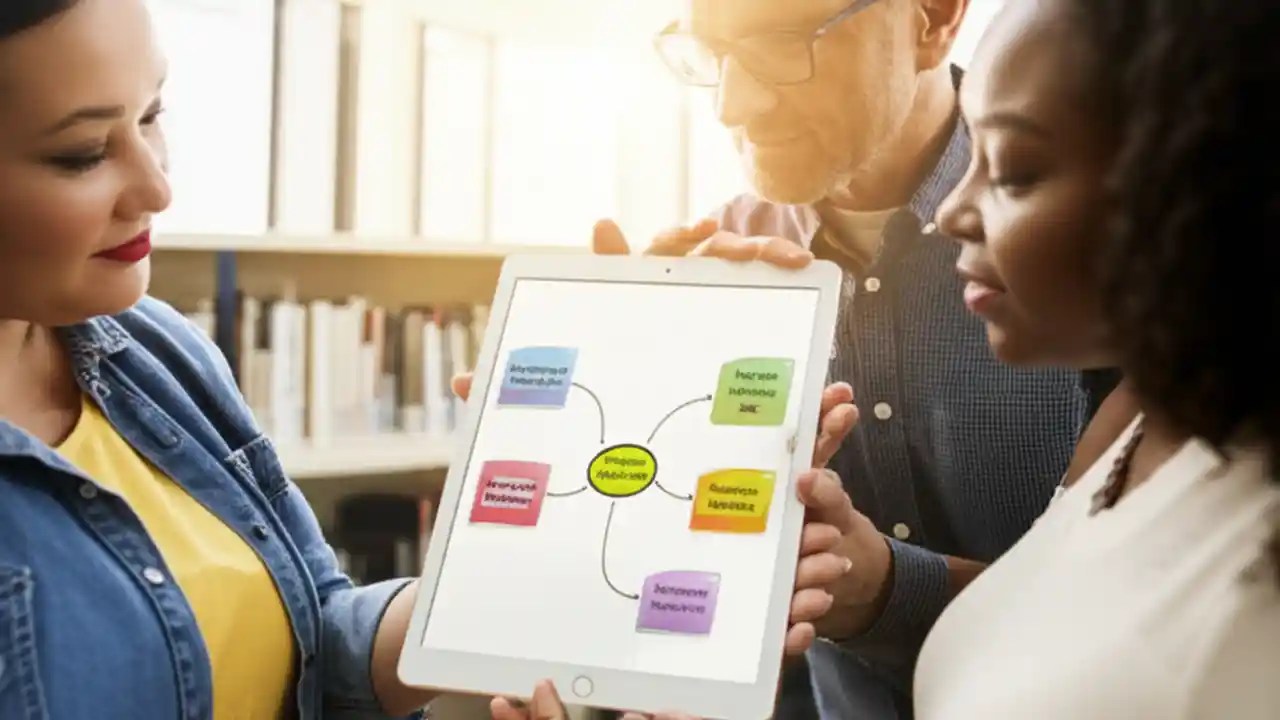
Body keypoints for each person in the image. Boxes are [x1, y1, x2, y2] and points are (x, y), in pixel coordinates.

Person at [0, 1, 860, 718]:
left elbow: (319, 639)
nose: (158, 187)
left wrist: (567, 538)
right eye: (82, 153)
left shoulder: (155, 353)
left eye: (152, 115)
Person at [584, 0, 1122, 717]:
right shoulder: (717, 260)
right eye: (712, 53)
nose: (731, 106)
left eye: (781, 42)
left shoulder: (1112, 224)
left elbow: (1150, 616)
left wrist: (887, 592)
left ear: (932, 18)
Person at [912, 0, 1280, 716]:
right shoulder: (1139, 423)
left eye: (1013, 169)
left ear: (1201, 181)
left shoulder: (1252, 603)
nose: (949, 212)